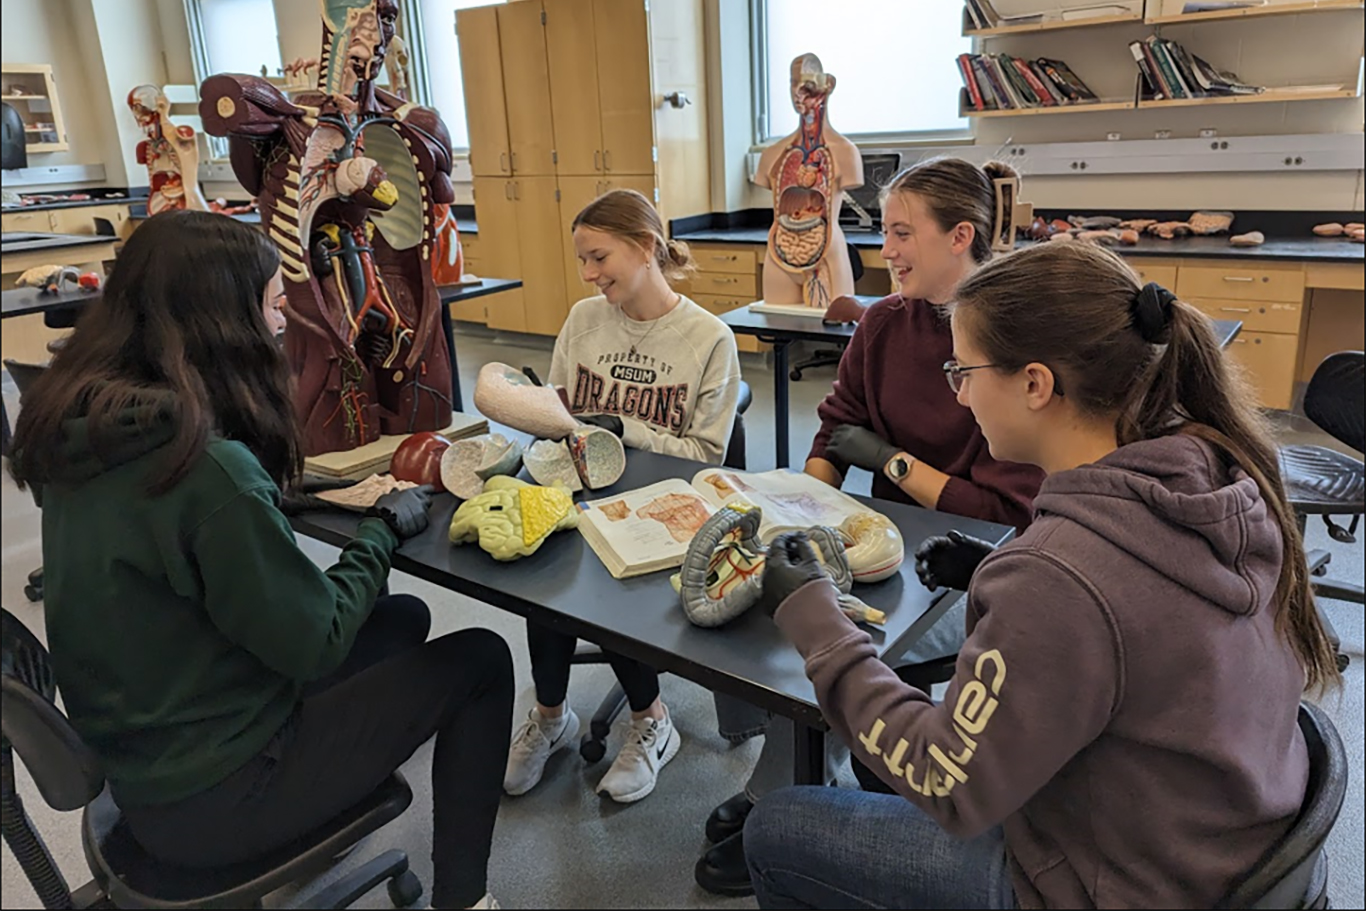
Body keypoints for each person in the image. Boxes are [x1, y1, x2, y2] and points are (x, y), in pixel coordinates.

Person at [744, 241, 1342, 909]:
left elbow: (949, 781)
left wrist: (815, 621)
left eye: (963, 370)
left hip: (1110, 883)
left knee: (777, 829)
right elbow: (1131, 623)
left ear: (1035, 383)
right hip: (1218, 837)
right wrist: (998, 566)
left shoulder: (1060, 576)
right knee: (872, 760)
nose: (961, 393)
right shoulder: (1223, 474)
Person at [8, 210, 514, 911]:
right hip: (215, 797)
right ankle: (466, 900)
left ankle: (330, 799)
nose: (282, 325)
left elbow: (192, 537)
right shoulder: (207, 472)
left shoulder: (87, 430)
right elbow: (315, 641)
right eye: (276, 304)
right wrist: (378, 529)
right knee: (482, 658)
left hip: (150, 758)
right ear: (223, 319)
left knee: (401, 618)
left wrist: (277, 494)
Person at [699, 158, 1046, 895]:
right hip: (889, 540)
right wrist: (796, 514)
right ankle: (797, 770)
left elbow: (1000, 514)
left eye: (898, 232)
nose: (882, 249)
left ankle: (797, 789)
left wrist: (888, 462)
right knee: (776, 594)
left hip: (965, 562)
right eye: (882, 231)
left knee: (845, 633)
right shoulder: (887, 321)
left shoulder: (1011, 344)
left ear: (961, 236)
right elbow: (835, 429)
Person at [503, 189, 742, 804]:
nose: (587, 274)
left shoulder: (708, 337)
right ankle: (552, 719)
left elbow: (706, 456)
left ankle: (653, 723)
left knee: (603, 574)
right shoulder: (584, 320)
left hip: (660, 505)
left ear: (644, 247)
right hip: (583, 490)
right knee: (541, 564)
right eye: (582, 259)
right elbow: (556, 412)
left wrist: (620, 428)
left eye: (598, 256)